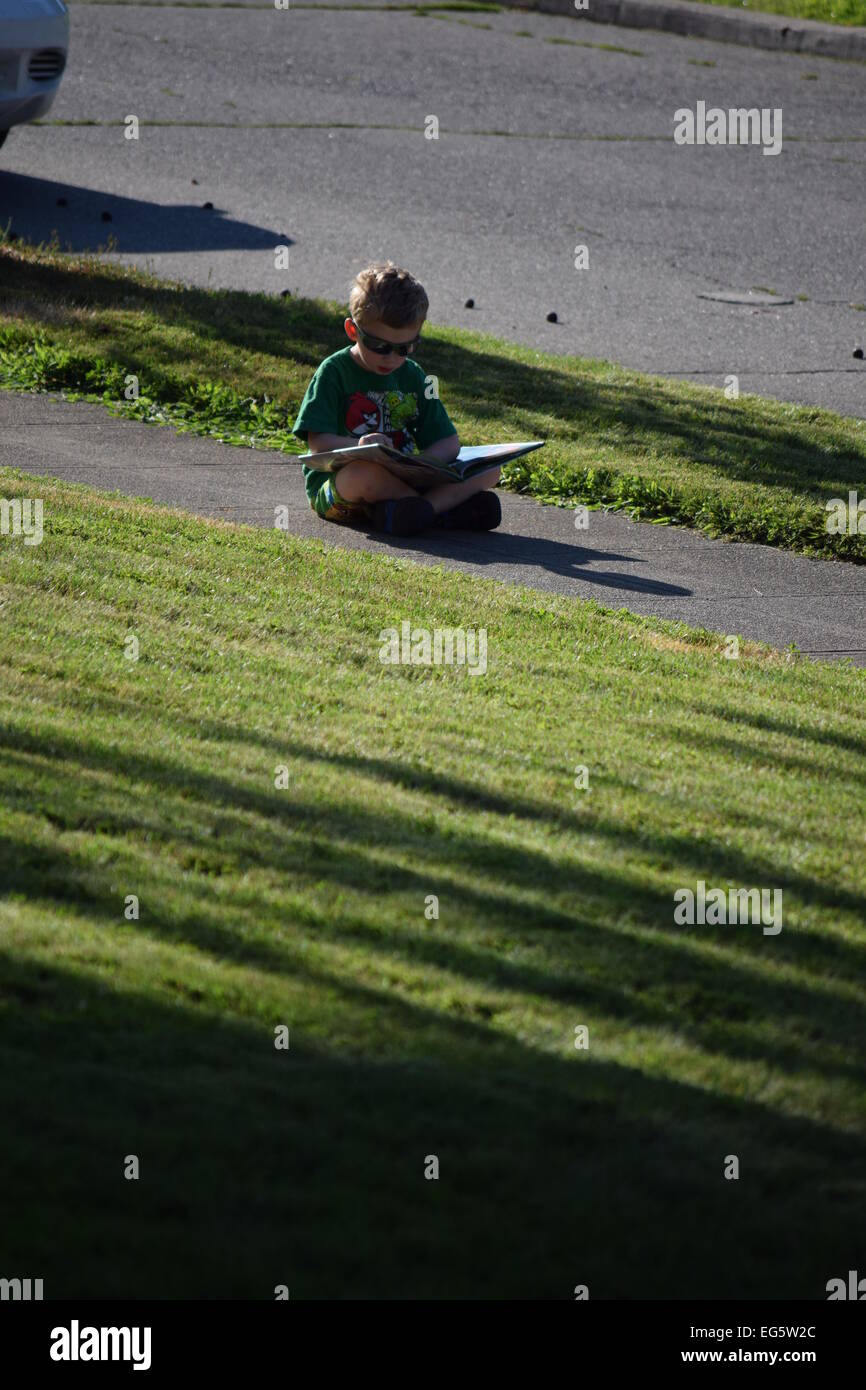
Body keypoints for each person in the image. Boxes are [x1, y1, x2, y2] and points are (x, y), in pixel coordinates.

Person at [293, 261, 502, 537]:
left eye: (405, 348)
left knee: (490, 470)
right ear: (353, 331)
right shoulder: (333, 372)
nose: (391, 358)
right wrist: (359, 445)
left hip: (404, 479)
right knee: (364, 474)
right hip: (343, 486)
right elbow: (318, 445)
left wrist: (424, 464)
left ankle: (415, 512)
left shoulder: (414, 375)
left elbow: (447, 441)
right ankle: (442, 511)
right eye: (380, 346)